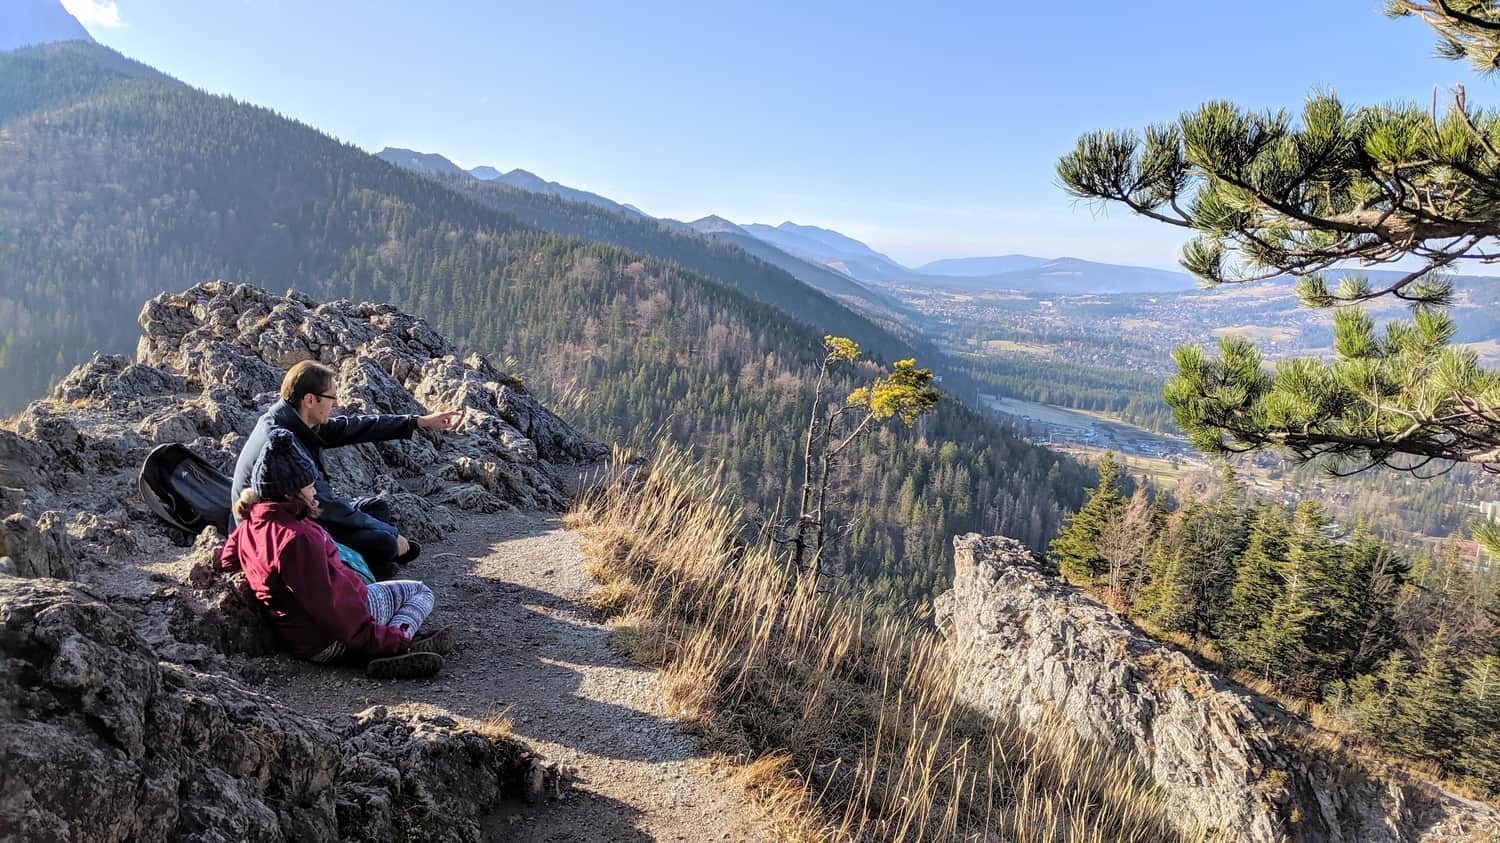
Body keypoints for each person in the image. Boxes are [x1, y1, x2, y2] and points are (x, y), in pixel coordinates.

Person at [221, 428, 457, 678]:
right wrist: (387, 641)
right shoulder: (297, 539)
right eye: (310, 487)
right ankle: (399, 644)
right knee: (420, 591)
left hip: (300, 634)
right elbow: (333, 608)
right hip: (328, 639)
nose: (315, 495)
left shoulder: (251, 524)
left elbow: (226, 559)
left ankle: (392, 639)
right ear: (292, 492)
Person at [231, 360, 459, 579]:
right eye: (332, 397)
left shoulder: (292, 420)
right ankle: (361, 580)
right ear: (310, 399)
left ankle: (365, 567)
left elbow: (355, 427)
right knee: (384, 542)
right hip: (282, 535)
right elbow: (325, 506)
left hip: (299, 515)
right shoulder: (284, 443)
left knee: (376, 508)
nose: (337, 404)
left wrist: (418, 422)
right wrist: (392, 535)